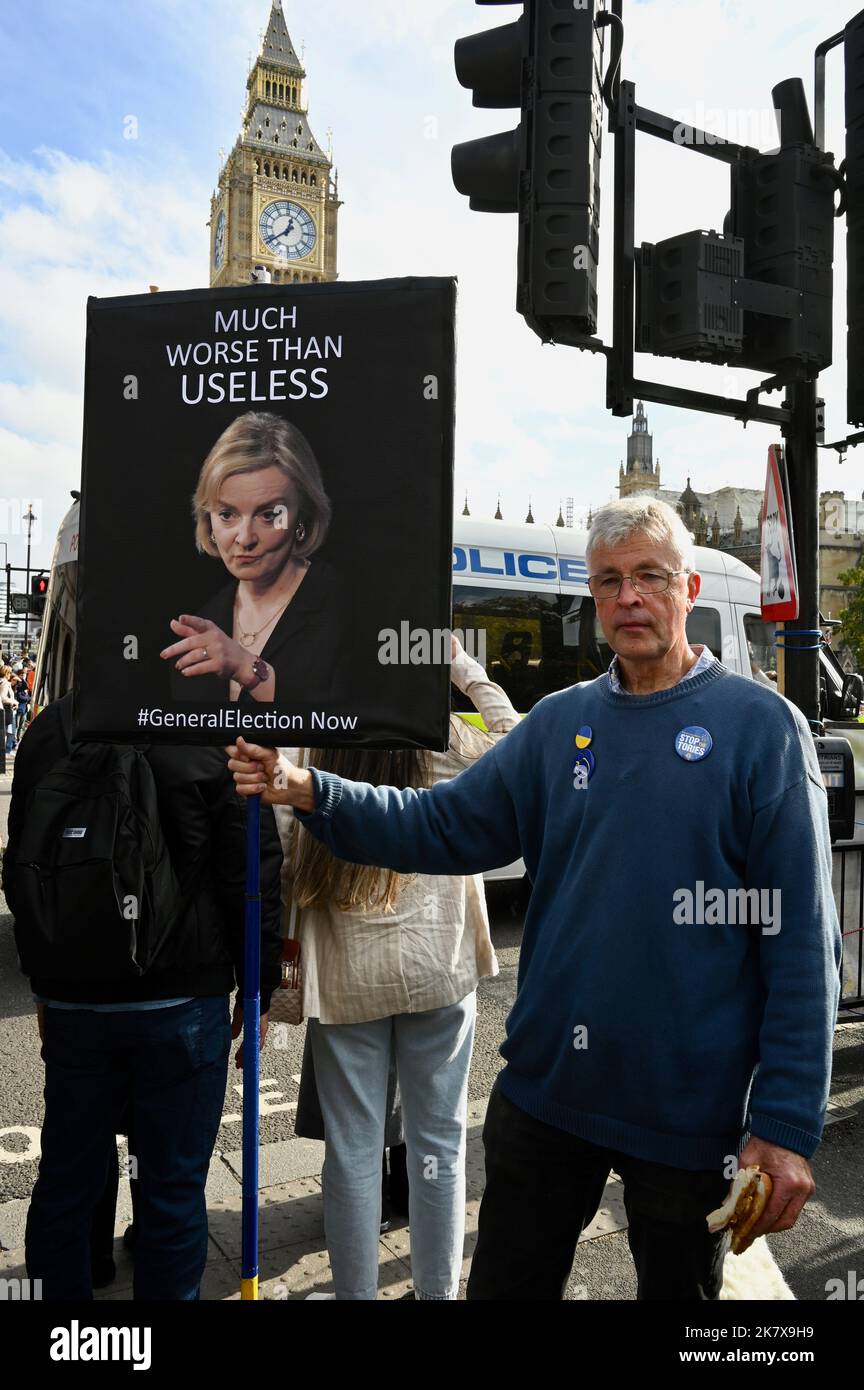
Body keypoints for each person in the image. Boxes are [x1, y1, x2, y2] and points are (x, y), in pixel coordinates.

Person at [229, 496, 842, 1302]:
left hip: (690, 1113)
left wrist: (787, 1125)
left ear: (688, 587)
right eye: (610, 581)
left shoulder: (764, 728)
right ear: (593, 600)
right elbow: (439, 826)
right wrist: (311, 789)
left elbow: (801, 941)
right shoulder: (558, 724)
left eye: (650, 577)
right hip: (549, 1096)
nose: (630, 597)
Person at [2, 693, 283, 1301]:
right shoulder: (209, 727)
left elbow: (21, 862)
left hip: (77, 999)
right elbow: (249, 870)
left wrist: (44, 982)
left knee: (66, 1182)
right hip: (184, 995)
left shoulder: (54, 727)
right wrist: (257, 989)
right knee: (173, 1189)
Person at [265, 636, 519, 1300]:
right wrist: (462, 668)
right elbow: (518, 746)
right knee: (440, 1142)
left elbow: (284, 849)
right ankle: (437, 1293)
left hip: (347, 971)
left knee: (352, 1148)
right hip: (438, 965)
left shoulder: (311, 750)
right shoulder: (444, 745)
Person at [161, 410, 346, 706]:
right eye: (227, 514)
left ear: (303, 518)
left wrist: (248, 670)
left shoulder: (347, 608)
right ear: (209, 520)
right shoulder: (200, 623)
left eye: (269, 515)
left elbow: (358, 721)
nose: (245, 538)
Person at [1, 664, 17, 755]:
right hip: (5, 710)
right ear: (6, 673)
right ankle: (5, 752)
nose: (10, 674)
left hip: (5, 710)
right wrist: (14, 701)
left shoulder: (2, 681)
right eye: (10, 672)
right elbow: (3, 698)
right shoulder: (5, 682)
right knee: (8, 732)